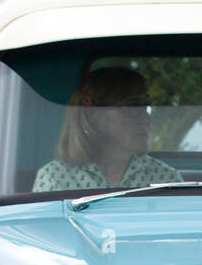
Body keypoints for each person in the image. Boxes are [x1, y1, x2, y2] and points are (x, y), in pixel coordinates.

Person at [33, 67, 181, 192]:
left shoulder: (166, 178)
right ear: (93, 113)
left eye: (145, 107)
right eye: (132, 108)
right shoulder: (54, 178)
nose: (146, 119)